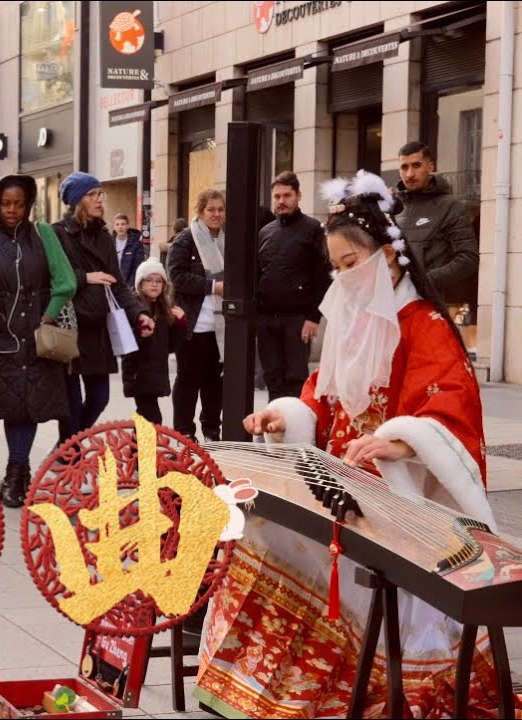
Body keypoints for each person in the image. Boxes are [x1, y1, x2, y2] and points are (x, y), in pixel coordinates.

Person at [195, 170, 511, 718]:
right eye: (336, 267)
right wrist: (284, 415)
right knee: (265, 534)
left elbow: (450, 406)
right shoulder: (345, 314)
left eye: (352, 264)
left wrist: (401, 442)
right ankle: (272, 687)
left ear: (389, 256)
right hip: (340, 480)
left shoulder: (424, 323)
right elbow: (322, 399)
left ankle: (360, 685)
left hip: (398, 496)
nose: (343, 277)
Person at [0, 175, 77, 508]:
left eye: (18, 203)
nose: (12, 210)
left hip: (40, 333)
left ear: (28, 205)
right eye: (5, 203)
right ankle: (18, 470)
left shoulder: (43, 234)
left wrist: (49, 312)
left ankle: (16, 471)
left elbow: (66, 281)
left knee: (31, 406)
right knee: (12, 405)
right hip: (4, 335)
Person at [53, 173, 151, 445]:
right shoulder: (57, 233)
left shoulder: (104, 237)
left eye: (100, 194)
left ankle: (64, 449)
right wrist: (85, 277)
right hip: (68, 326)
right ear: (76, 200)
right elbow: (47, 278)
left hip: (98, 329)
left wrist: (140, 313)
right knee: (70, 404)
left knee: (100, 397)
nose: (99, 200)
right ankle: (69, 459)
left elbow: (118, 285)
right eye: (92, 195)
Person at [256, 171, 331, 401]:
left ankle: (295, 432)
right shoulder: (265, 232)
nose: (281, 201)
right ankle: (272, 432)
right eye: (277, 196)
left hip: (299, 320)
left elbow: (324, 275)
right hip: (267, 319)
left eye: (287, 195)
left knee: (296, 380)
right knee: (272, 379)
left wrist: (314, 317)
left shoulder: (313, 230)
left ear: (298, 196)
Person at [168, 189, 226, 443]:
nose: (216, 214)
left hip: (222, 327)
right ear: (200, 211)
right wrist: (212, 286)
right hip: (192, 326)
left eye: (220, 209)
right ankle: (184, 433)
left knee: (215, 383)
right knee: (188, 381)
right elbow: (176, 277)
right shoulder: (185, 239)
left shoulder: (229, 239)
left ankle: (212, 430)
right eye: (210, 209)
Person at [394, 141, 479, 306]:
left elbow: (469, 258)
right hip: (392, 306)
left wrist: (426, 281)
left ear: (430, 167)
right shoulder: (393, 206)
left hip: (429, 305)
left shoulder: (450, 206)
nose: (409, 174)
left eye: (416, 165)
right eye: (404, 167)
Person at [120, 259, 186, 424]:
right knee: (152, 418)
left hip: (155, 373)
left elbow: (169, 346)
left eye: (159, 281)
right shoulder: (135, 308)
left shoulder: (163, 309)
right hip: (138, 373)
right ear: (140, 284)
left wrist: (179, 326)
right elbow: (127, 346)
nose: (154, 285)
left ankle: (134, 450)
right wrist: (142, 336)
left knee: (145, 419)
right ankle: (137, 450)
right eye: (149, 280)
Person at [111, 212, 146, 287]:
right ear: (113, 227)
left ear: (127, 226)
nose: (120, 227)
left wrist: (130, 286)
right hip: (112, 284)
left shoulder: (136, 244)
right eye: (117, 224)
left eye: (123, 224)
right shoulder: (109, 243)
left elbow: (137, 267)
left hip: (128, 286)